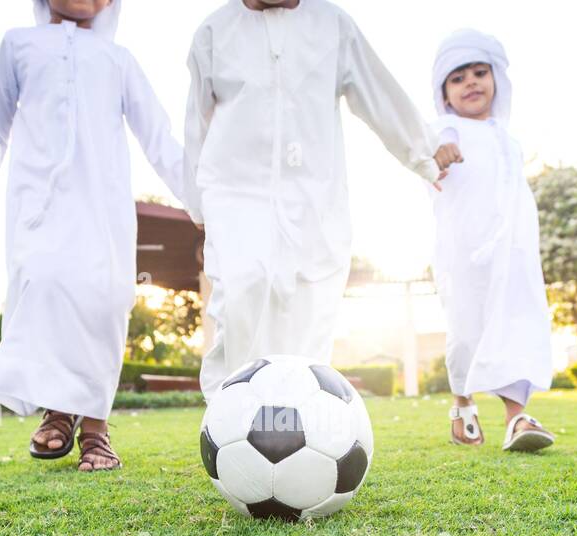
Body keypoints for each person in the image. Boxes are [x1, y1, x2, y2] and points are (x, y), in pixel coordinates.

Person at [0, 0, 184, 471]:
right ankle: (58, 409)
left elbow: (158, 135)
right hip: (39, 207)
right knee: (44, 287)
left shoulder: (118, 59)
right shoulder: (19, 45)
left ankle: (95, 429)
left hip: (103, 208)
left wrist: (199, 202)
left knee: (102, 302)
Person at [184, 0, 462, 399]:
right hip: (234, 191)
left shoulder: (333, 25)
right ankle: (231, 408)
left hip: (315, 193)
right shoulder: (214, 31)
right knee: (243, 291)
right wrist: (196, 198)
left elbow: (378, 91)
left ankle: (297, 412)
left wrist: (425, 149)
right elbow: (196, 120)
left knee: (309, 303)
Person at [430, 29, 555, 452]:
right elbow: (436, 146)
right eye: (458, 78)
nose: (471, 83)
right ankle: (463, 404)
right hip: (464, 251)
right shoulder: (446, 128)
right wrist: (441, 150)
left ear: (496, 79)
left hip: (512, 252)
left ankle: (516, 417)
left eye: (479, 73)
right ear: (445, 93)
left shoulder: (508, 138)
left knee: (515, 323)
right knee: (466, 331)